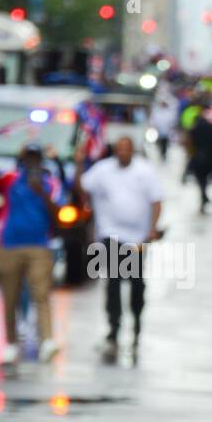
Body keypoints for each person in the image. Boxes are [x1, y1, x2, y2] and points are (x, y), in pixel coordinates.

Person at [78, 136, 164, 359]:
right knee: (113, 282)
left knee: (136, 284)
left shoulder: (144, 172)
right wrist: (79, 163)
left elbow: (156, 201)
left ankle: (136, 325)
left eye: (127, 149)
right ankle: (113, 330)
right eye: (119, 149)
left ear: (133, 151)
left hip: (137, 239)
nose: (123, 152)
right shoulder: (102, 170)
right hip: (110, 234)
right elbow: (83, 186)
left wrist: (152, 229)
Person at [0, 143, 63, 364]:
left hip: (39, 245)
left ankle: (46, 340)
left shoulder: (49, 183)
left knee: (41, 293)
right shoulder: (11, 179)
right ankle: (11, 343)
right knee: (10, 297)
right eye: (28, 158)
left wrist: (41, 192)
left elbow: (58, 212)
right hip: (10, 244)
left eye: (35, 158)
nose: (31, 162)